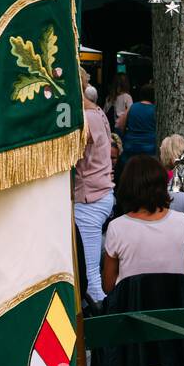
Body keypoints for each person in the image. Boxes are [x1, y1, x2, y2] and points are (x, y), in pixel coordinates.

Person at [101, 155, 184, 293]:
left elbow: (108, 286)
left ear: (127, 186)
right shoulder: (182, 222)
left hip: (132, 309)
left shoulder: (117, 227)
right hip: (174, 307)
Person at [73, 73, 115, 304]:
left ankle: (99, 326)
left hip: (90, 197)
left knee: (91, 278)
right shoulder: (96, 111)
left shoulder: (86, 118)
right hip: (99, 193)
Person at [118, 83, 157, 164]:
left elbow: (120, 124)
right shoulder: (155, 110)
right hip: (150, 149)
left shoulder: (132, 107)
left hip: (131, 148)